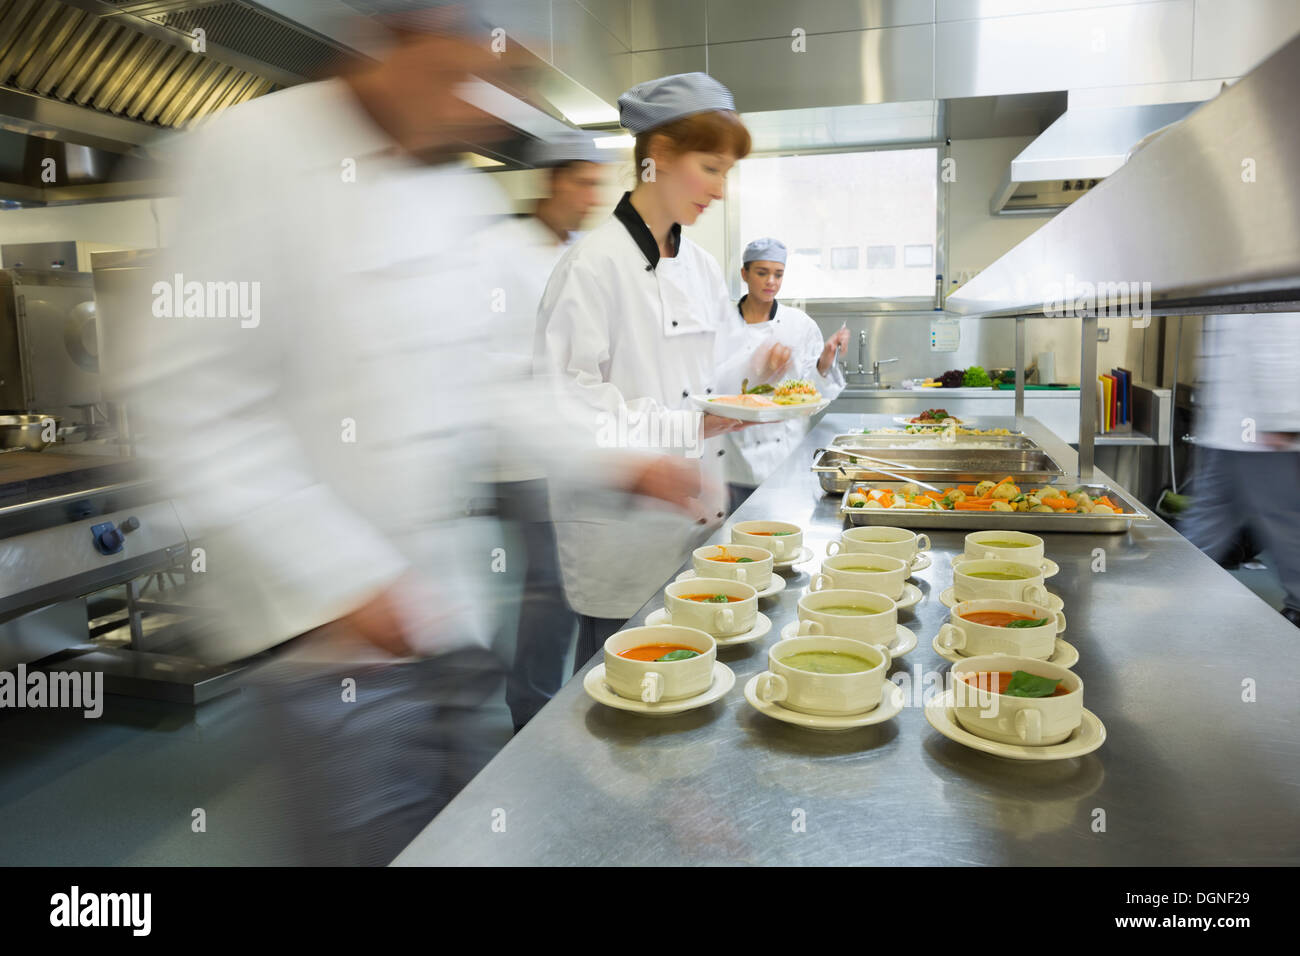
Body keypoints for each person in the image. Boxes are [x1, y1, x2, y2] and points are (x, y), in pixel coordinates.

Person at [119, 13, 716, 864]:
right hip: (321, 643)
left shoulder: (450, 191)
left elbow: (495, 382)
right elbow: (188, 402)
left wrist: (624, 457)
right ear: (396, 36)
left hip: (443, 616)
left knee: (462, 842)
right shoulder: (253, 155)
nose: (492, 103)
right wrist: (349, 579)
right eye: (478, 73)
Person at [535, 72, 790, 669]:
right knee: (617, 696)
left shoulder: (699, 266)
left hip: (695, 519)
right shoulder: (593, 265)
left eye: (727, 172)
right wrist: (680, 429)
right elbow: (567, 402)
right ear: (660, 157)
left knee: (690, 691)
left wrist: (757, 367)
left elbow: (713, 377)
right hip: (621, 534)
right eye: (711, 167)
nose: (721, 191)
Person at [478, 131, 608, 732]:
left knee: (581, 578)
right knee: (553, 591)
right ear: (552, 181)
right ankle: (530, 714)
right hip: (523, 459)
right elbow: (503, 372)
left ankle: (585, 696)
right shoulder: (503, 253)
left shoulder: (582, 252)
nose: (592, 196)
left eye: (597, 184)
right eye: (583, 181)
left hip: (574, 450)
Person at [1177, 313, 1300, 628]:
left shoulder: (1270, 271)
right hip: (1228, 428)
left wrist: (1281, 420)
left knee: (1284, 527)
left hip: (1264, 433)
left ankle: (1299, 608)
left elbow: (1282, 340)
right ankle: (1177, 599)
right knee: (1207, 520)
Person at [723, 237, 849, 514]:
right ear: (744, 274)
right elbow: (711, 388)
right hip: (732, 459)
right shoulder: (722, 324)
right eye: (762, 272)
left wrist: (824, 363)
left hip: (784, 456)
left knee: (781, 534)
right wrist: (758, 372)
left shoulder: (799, 325)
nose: (771, 281)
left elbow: (812, 394)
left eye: (778, 274)